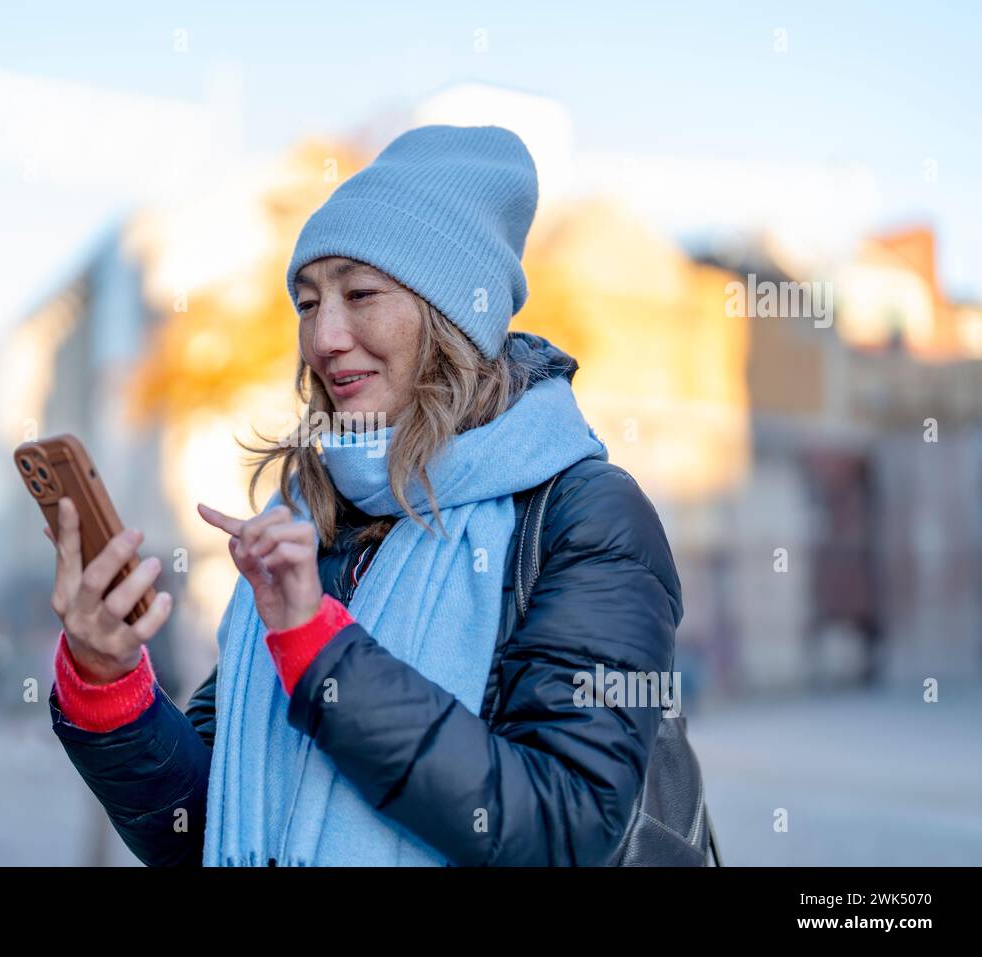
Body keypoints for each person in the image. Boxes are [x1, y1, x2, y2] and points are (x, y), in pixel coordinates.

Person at [45, 124, 683, 866]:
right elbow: (205, 828)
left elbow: (568, 823)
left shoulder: (586, 515)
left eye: (360, 294)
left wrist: (320, 652)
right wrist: (108, 679)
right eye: (309, 303)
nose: (325, 337)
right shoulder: (308, 520)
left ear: (451, 317)